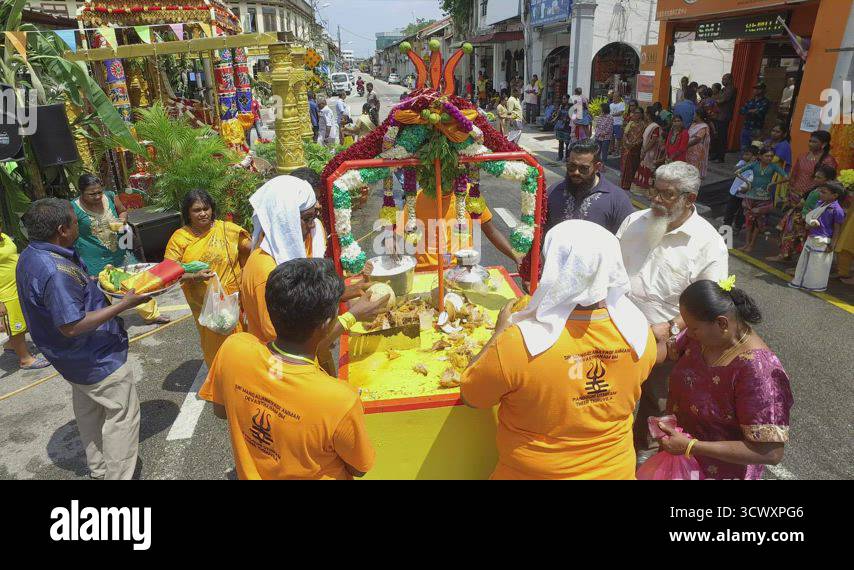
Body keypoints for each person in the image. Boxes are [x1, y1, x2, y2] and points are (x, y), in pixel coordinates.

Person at [460, 220, 661, 480]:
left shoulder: (519, 342)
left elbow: (472, 396)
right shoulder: (638, 332)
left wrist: (498, 333)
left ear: (554, 266)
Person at [200, 259, 377, 480]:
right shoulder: (340, 399)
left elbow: (221, 410)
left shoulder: (234, 348)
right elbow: (359, 468)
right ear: (326, 324)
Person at [17, 198, 151, 479]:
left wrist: (90, 282)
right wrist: (124, 304)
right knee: (122, 415)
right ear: (62, 229)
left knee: (90, 412)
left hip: (69, 359)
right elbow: (72, 325)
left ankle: (99, 469)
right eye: (76, 221)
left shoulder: (31, 254)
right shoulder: (56, 270)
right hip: (93, 356)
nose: (80, 224)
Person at [616, 162, 729, 453]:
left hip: (666, 344)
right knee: (609, 400)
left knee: (656, 411)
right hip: (615, 333)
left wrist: (672, 328)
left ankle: (644, 461)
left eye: (666, 194)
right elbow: (611, 268)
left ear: (689, 199)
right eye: (655, 189)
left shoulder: (708, 244)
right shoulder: (634, 222)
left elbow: (710, 303)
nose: (655, 198)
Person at [660, 280, 793, 480]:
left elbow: (770, 452)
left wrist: (692, 446)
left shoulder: (759, 371)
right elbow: (667, 351)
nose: (688, 331)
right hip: (680, 462)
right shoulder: (702, 337)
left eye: (693, 327)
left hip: (721, 473)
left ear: (722, 323)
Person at [164, 189, 252, 366]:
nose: (203, 213)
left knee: (243, 343)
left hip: (235, 299)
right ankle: (220, 380)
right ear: (188, 213)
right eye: (197, 210)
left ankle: (244, 379)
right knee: (215, 346)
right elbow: (168, 271)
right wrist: (193, 276)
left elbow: (250, 249)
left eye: (206, 208)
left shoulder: (228, 230)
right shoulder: (180, 238)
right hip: (205, 304)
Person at [72, 174, 170, 326]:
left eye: (99, 192)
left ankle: (152, 315)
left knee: (135, 284)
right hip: (93, 258)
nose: (97, 196)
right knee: (100, 292)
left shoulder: (110, 196)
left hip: (118, 252)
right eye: (92, 194)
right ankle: (106, 324)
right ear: (81, 192)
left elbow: (122, 211)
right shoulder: (73, 208)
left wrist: (122, 220)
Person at [770, 131, 837, 263]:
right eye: (810, 141)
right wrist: (790, 192)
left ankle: (797, 261)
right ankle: (785, 255)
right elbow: (794, 174)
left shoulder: (828, 161)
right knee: (788, 227)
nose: (810, 144)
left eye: (814, 142)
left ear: (823, 144)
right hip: (795, 197)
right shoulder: (802, 156)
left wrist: (810, 197)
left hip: (813, 201)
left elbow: (828, 182)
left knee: (803, 232)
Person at [544, 139, 634, 236]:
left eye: (583, 168)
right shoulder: (553, 192)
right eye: (571, 166)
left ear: (597, 167)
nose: (576, 172)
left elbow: (627, 241)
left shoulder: (617, 200)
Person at [0, 226, 49, 370]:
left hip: (17, 285)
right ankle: (25, 360)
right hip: (5, 292)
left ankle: (11, 346)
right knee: (16, 327)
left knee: (21, 322)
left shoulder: (4, 237)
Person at [789, 181, 846, 292]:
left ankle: (813, 285)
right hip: (812, 236)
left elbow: (837, 229)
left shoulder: (837, 210)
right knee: (804, 261)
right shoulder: (819, 203)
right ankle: (800, 281)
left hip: (823, 240)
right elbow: (813, 216)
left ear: (834, 196)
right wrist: (809, 224)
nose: (820, 194)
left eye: (824, 192)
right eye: (820, 191)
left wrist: (832, 244)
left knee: (817, 265)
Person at [734, 146, 790, 253]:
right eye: (767, 156)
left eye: (771, 156)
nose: (769, 158)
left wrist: (773, 184)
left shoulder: (773, 167)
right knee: (749, 221)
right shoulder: (754, 165)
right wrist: (748, 182)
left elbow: (787, 177)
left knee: (759, 222)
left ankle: (751, 245)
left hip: (764, 198)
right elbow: (737, 172)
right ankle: (746, 244)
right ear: (760, 156)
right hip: (751, 196)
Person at [723, 145, 760, 235]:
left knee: (741, 213)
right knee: (730, 210)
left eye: (747, 155)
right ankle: (726, 226)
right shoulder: (742, 162)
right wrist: (746, 165)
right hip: (734, 191)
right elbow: (734, 170)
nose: (744, 156)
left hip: (745, 194)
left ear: (754, 157)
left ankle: (737, 228)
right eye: (744, 154)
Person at [634, 106, 664, 192]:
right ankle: (642, 189)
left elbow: (653, 140)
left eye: (646, 113)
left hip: (650, 152)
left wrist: (645, 150)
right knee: (643, 168)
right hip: (646, 150)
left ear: (649, 115)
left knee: (648, 169)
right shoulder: (650, 125)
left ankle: (648, 191)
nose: (645, 115)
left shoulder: (655, 126)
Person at [712, 73, 737, 163]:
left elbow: (720, 100)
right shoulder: (724, 89)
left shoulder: (731, 89)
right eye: (722, 79)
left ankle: (720, 157)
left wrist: (716, 100)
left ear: (730, 80)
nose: (723, 81)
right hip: (718, 116)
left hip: (724, 116)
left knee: (722, 137)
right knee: (717, 137)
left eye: (725, 79)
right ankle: (716, 154)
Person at [619, 107, 645, 191]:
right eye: (635, 113)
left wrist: (633, 144)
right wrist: (626, 142)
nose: (636, 114)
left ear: (641, 115)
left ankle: (629, 184)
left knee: (632, 166)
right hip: (627, 147)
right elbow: (625, 134)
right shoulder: (631, 123)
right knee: (625, 165)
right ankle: (623, 183)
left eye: (638, 113)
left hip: (635, 149)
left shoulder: (643, 125)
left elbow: (642, 138)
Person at [739, 82, 771, 150]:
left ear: (764, 90)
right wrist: (751, 111)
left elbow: (759, 112)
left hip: (757, 129)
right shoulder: (750, 100)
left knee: (755, 150)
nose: (756, 90)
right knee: (744, 149)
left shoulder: (765, 101)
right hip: (746, 128)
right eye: (755, 88)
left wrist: (748, 111)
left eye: (759, 89)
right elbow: (741, 110)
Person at [686, 107, 712, 179]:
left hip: (696, 150)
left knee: (694, 167)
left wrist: (686, 145)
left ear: (699, 116)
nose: (693, 116)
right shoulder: (693, 124)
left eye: (695, 114)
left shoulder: (703, 126)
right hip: (689, 149)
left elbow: (698, 139)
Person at [553, 95, 571, 160]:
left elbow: (573, 117)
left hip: (567, 127)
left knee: (567, 143)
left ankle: (567, 157)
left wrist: (568, 119)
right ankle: (560, 156)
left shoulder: (571, 107)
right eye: (563, 99)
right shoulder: (561, 106)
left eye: (564, 99)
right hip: (560, 126)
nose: (563, 100)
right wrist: (554, 120)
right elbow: (558, 115)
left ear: (568, 99)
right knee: (560, 142)